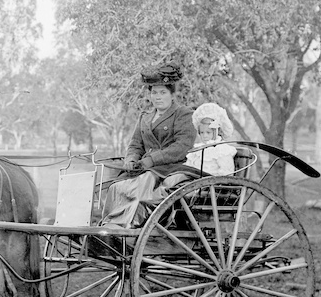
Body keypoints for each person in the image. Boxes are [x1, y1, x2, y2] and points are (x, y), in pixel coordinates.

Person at [99, 63, 197, 228]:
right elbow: (135, 144)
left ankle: (129, 226)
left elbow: (181, 146)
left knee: (144, 182)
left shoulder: (184, 114)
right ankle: (110, 226)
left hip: (169, 168)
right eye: (154, 92)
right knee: (116, 186)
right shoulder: (145, 116)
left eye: (162, 92)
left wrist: (152, 160)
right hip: (144, 167)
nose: (158, 97)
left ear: (172, 94)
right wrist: (131, 160)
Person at [185, 102, 237, 176]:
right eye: (202, 132)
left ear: (216, 132)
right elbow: (189, 166)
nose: (204, 136)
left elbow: (227, 172)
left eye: (208, 132)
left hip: (211, 180)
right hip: (194, 178)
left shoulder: (221, 149)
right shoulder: (198, 149)